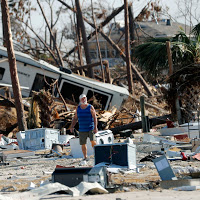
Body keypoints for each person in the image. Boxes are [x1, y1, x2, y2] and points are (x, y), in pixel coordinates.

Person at [70, 94, 98, 161]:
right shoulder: (78, 108)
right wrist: (72, 126)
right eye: (82, 99)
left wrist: (95, 127)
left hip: (90, 127)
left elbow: (95, 117)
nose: (84, 100)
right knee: (83, 143)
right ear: (80, 100)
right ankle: (85, 157)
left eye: (85, 98)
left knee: (93, 141)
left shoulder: (90, 107)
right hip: (82, 128)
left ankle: (97, 154)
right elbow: (75, 118)